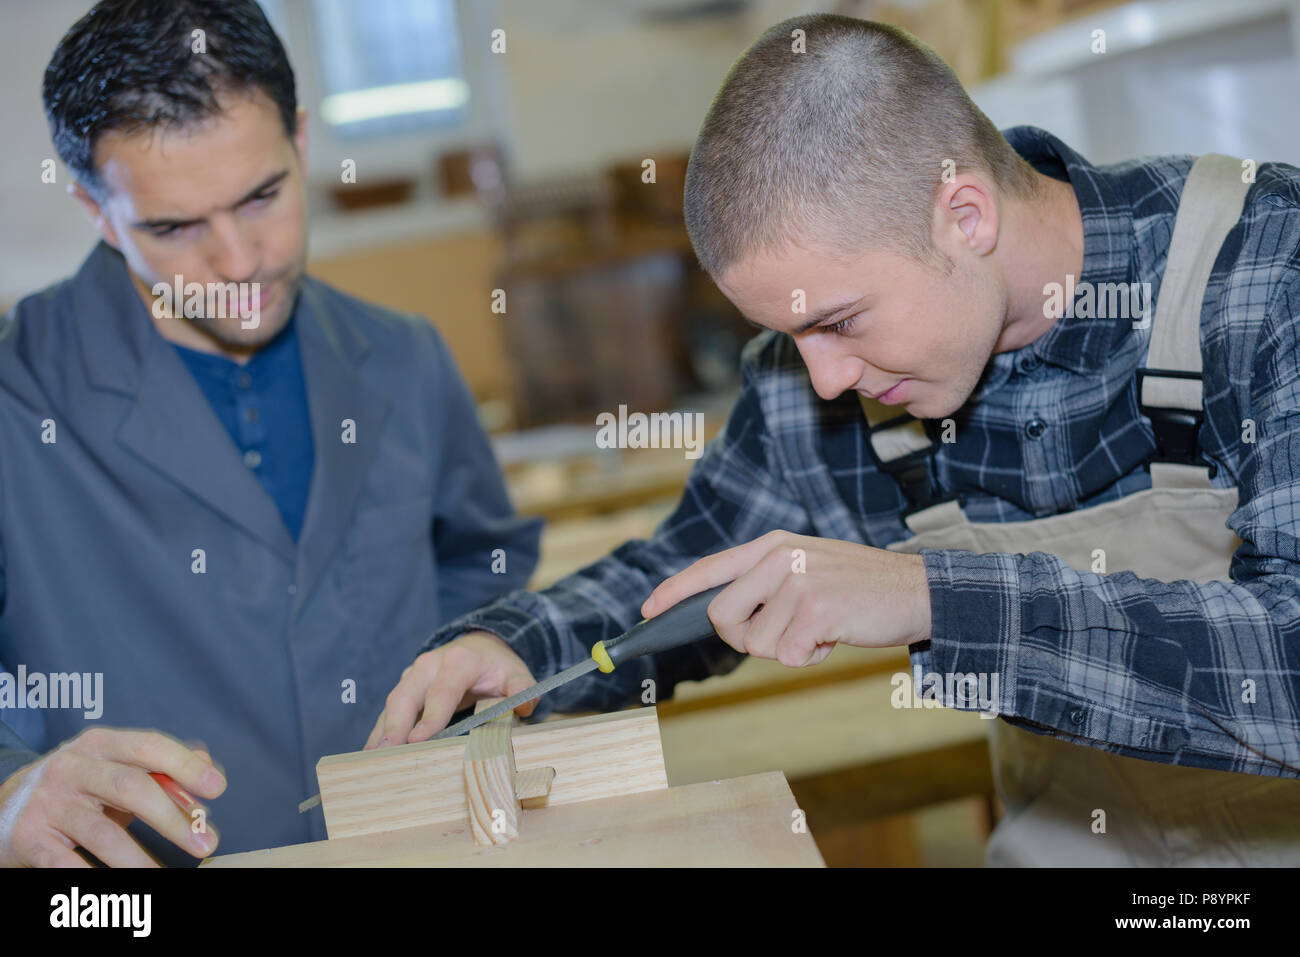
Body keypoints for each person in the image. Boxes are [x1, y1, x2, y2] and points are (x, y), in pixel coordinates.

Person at [372, 14, 1300, 866]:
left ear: (965, 216)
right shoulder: (819, 383)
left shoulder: (1263, 274)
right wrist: (525, 649)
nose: (824, 379)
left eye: (842, 321)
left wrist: (933, 597)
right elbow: (691, 570)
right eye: (793, 336)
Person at [0, 0, 540, 867]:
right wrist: (6, 795)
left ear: (299, 138)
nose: (240, 261)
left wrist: (474, 659)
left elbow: (482, 561)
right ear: (97, 210)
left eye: (262, 196)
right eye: (173, 227)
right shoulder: (16, 402)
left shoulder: (402, 359)